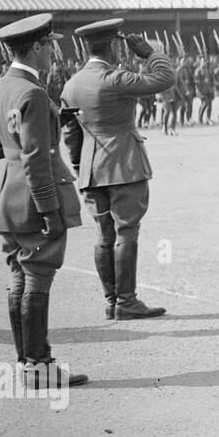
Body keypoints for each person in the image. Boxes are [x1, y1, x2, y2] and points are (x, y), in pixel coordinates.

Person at [0, 14, 87, 387]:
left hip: (9, 198)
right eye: (50, 45)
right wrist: (49, 211)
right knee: (38, 279)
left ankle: (27, 364)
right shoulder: (33, 92)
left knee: (19, 277)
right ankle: (39, 365)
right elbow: (37, 158)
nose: (54, 51)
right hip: (35, 200)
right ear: (38, 47)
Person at [61, 18, 176, 319]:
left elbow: (71, 134)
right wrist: (150, 54)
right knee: (126, 231)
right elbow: (164, 79)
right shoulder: (114, 78)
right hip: (123, 165)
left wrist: (80, 164)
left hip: (90, 168)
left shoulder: (72, 84)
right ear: (113, 45)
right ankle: (126, 301)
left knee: (103, 234)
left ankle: (111, 301)